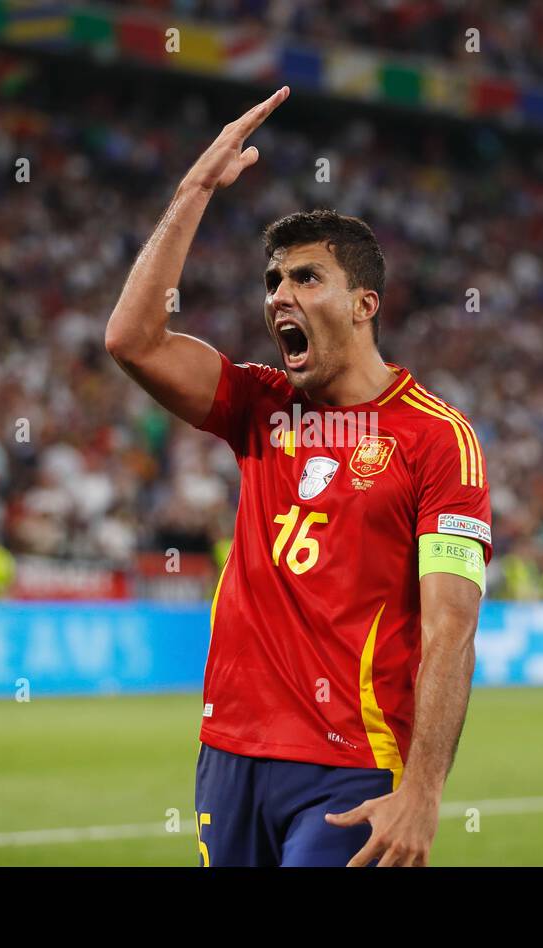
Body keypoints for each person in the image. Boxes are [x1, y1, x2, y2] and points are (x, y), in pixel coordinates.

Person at [105, 87, 491, 867]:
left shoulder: (437, 439)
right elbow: (132, 341)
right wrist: (194, 192)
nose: (280, 294)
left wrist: (422, 791)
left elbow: (452, 627)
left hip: (349, 767)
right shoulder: (259, 404)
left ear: (363, 304)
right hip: (230, 754)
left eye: (307, 278)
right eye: (274, 280)